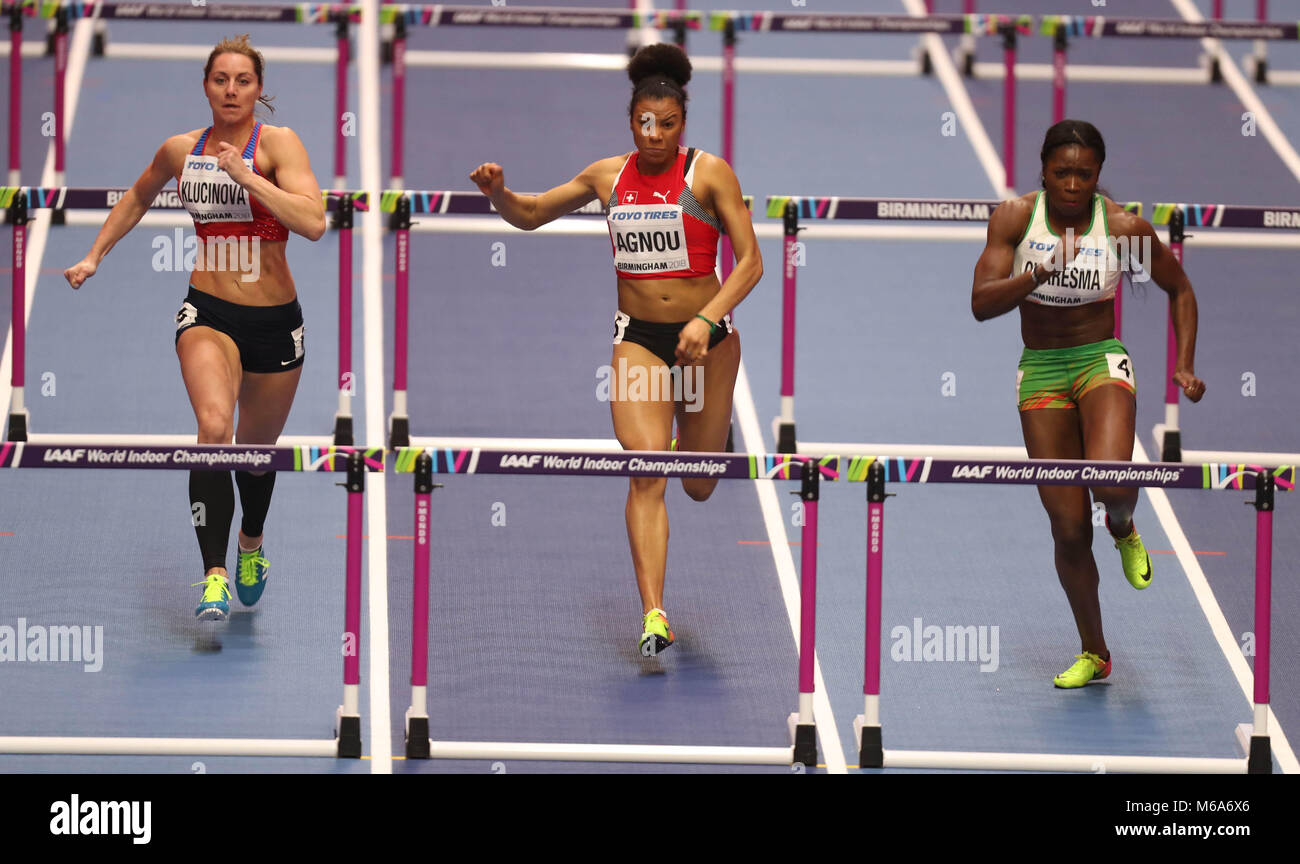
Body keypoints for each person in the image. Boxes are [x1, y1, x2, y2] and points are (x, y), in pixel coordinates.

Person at [469, 43, 762, 657]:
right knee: (647, 467)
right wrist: (499, 194)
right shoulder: (608, 177)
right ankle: (654, 613)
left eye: (668, 124)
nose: (655, 135)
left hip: (707, 344)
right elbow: (530, 214)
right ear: (631, 121)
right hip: (639, 342)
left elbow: (751, 262)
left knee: (701, 485)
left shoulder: (708, 174)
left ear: (683, 123)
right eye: (644, 123)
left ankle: (712, 429)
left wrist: (707, 320)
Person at [64, 35, 326, 621]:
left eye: (243, 81)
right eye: (220, 80)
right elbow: (136, 196)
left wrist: (248, 176)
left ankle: (250, 544)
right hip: (207, 310)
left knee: (257, 454)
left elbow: (313, 222)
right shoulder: (181, 149)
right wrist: (95, 255)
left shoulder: (278, 144)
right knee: (213, 428)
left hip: (276, 321)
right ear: (206, 86)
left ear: (260, 90)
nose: (231, 90)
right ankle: (212, 575)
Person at [971, 119, 1205, 688]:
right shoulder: (1014, 219)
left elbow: (1180, 289)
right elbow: (980, 303)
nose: (1073, 184)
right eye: (1062, 172)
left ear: (1099, 174)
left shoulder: (1122, 227)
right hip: (1042, 370)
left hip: (1100, 359)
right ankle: (1095, 652)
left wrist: (1184, 364)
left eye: (1085, 173)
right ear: (1043, 170)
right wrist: (1038, 272)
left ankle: (1123, 524)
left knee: (1108, 480)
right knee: (1069, 529)